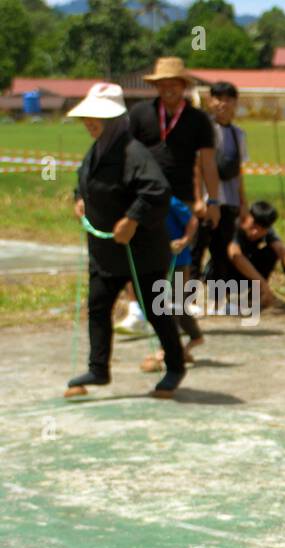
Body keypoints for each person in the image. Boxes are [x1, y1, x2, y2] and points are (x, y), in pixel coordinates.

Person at [65, 83, 187, 399]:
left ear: (114, 119)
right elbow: (85, 180)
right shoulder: (97, 149)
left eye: (96, 118)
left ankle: (174, 367)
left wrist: (132, 218)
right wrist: (80, 199)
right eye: (87, 117)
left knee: (155, 310)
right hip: (105, 253)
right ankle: (98, 368)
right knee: (97, 306)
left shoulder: (133, 153)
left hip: (141, 252)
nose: (89, 123)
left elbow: (157, 191)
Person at [128, 58, 220, 230]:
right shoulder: (139, 113)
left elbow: (208, 163)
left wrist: (213, 201)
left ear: (184, 85)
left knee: (182, 252)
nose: (167, 89)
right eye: (162, 84)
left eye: (173, 84)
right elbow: (127, 155)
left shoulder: (199, 119)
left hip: (185, 199)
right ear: (155, 85)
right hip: (145, 196)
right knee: (147, 253)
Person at [193, 81, 246, 294]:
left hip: (229, 201)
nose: (222, 104)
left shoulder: (239, 134)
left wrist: (243, 203)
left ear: (235, 103)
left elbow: (238, 170)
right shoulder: (203, 130)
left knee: (222, 252)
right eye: (218, 98)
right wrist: (197, 199)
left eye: (228, 99)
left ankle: (220, 298)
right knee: (196, 250)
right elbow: (196, 167)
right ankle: (187, 299)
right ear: (210, 100)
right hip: (206, 201)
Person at [139, 193, 201, 373]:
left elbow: (192, 222)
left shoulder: (171, 202)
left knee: (174, 305)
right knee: (163, 304)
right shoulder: (139, 202)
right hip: (155, 260)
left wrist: (184, 241)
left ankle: (165, 348)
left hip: (178, 260)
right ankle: (191, 339)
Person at [225, 201, 285, 310]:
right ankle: (229, 295)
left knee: (270, 252)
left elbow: (280, 249)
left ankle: (254, 294)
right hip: (225, 274)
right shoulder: (233, 226)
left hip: (249, 275)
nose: (256, 232)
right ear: (247, 217)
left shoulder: (268, 231)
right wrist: (262, 283)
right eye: (253, 226)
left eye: (262, 229)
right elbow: (236, 256)